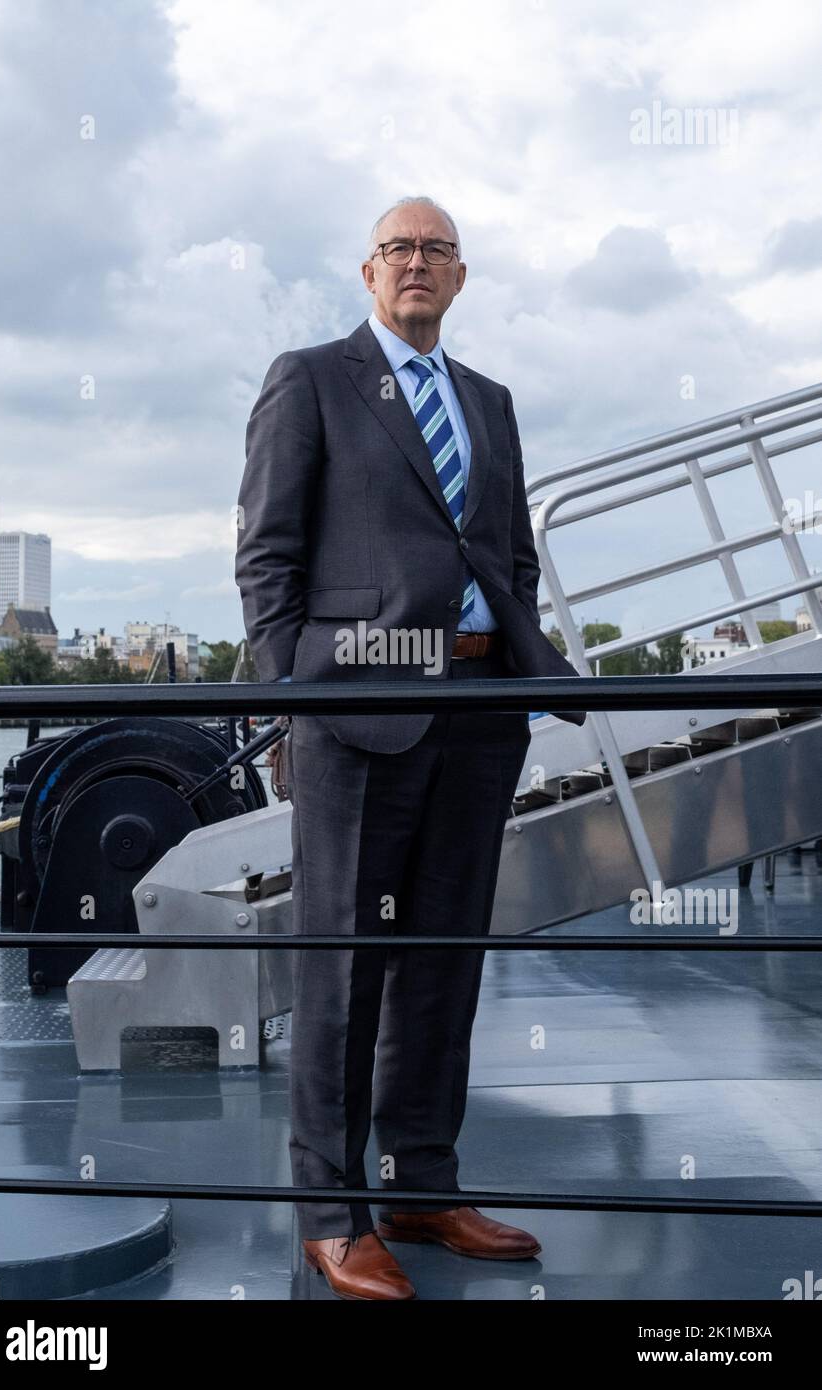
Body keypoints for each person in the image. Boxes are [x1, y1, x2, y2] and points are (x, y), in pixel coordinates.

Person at [235, 195, 586, 1300]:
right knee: (341, 968)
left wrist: (520, 679)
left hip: (479, 714)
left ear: (461, 276)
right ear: (367, 271)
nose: (416, 263)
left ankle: (420, 1184)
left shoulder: (488, 402)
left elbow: (509, 556)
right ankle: (331, 1214)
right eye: (399, 248)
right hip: (357, 716)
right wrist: (296, 695)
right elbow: (266, 554)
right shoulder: (312, 378)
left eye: (436, 249)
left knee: (442, 964)